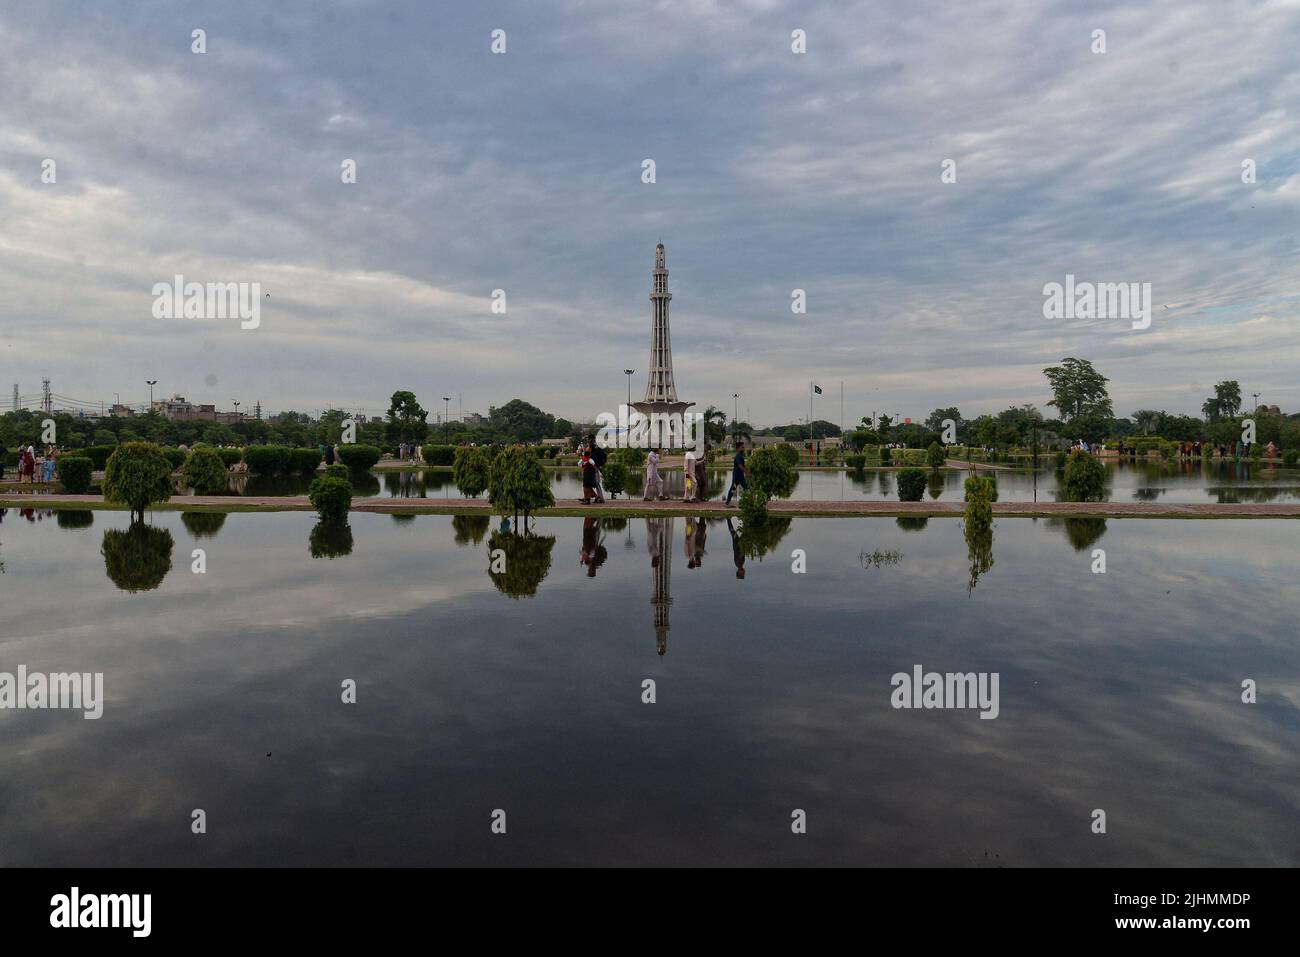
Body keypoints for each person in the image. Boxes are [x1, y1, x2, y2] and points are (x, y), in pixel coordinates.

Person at [724, 441, 749, 505]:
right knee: (733, 489)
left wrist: (747, 470)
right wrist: (747, 472)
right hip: (737, 476)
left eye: (743, 447)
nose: (744, 448)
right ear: (738, 448)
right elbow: (740, 466)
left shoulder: (740, 456)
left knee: (746, 488)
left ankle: (750, 500)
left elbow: (743, 465)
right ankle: (727, 502)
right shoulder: (738, 456)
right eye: (742, 447)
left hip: (740, 476)